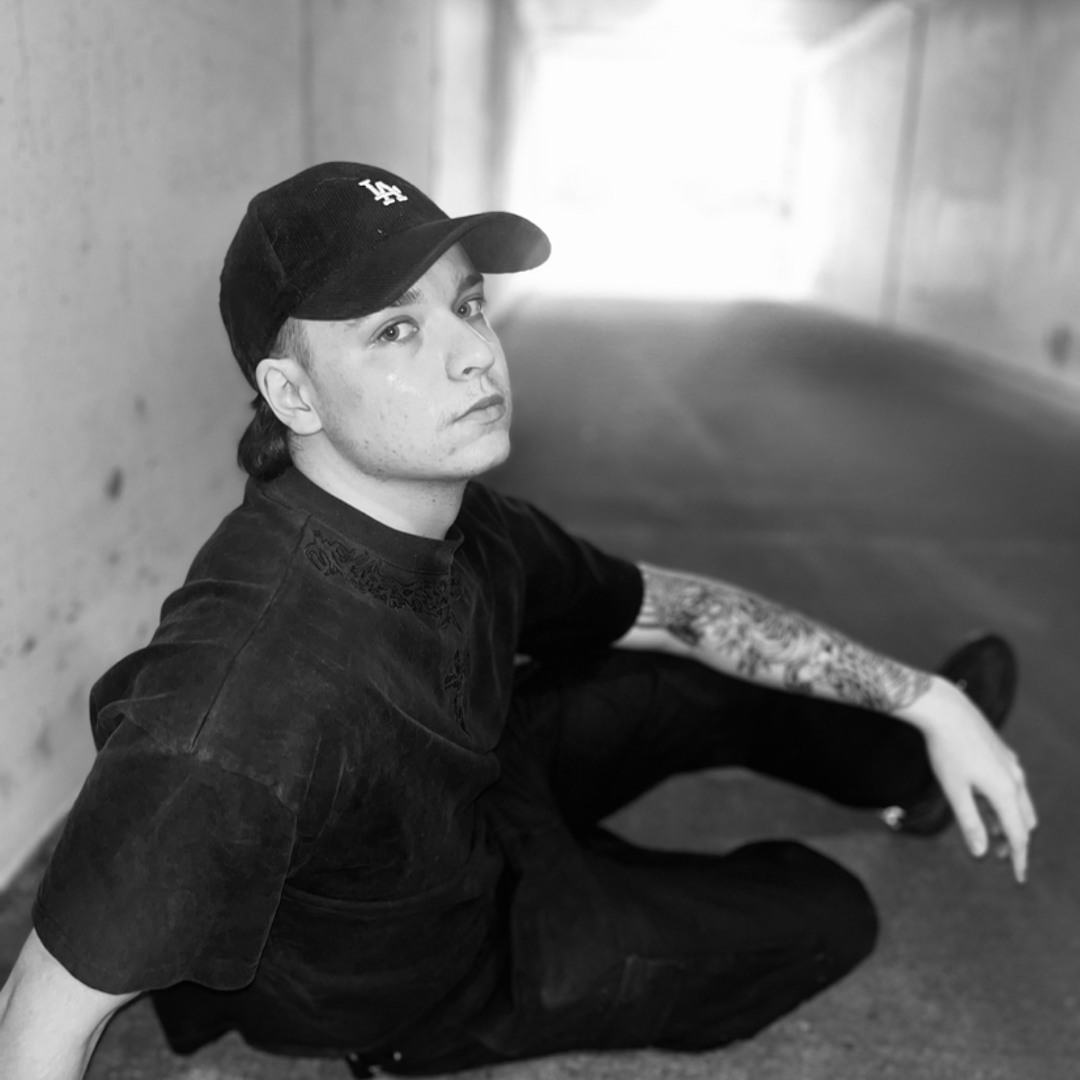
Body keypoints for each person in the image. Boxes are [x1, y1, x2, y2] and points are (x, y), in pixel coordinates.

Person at [0, 162, 1036, 1079]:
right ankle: (546, 947)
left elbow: (672, 611)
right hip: (439, 975)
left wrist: (926, 700)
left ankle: (909, 767)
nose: (471, 355)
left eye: (469, 306)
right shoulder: (250, 697)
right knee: (828, 916)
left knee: (675, 672)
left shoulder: (455, 516)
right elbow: (41, 1009)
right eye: (395, 330)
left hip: (480, 796)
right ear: (294, 395)